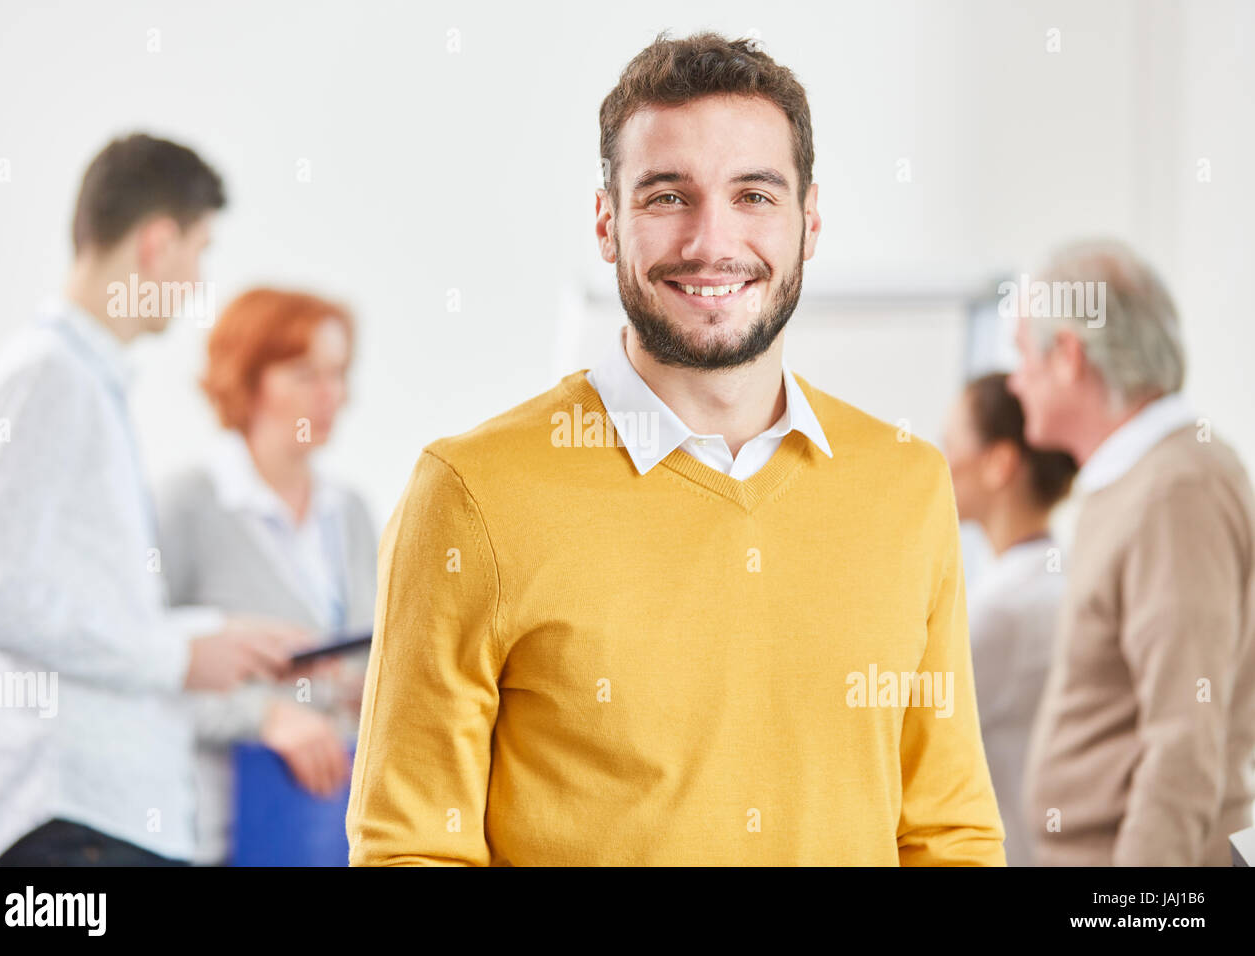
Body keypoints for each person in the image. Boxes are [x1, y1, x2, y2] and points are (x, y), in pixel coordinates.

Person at [347, 31, 1005, 866]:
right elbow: (410, 846)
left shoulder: (907, 484)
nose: (710, 242)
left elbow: (949, 834)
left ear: (809, 224)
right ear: (606, 222)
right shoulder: (470, 492)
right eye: (667, 196)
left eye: (754, 195)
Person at [0, 133, 309, 867]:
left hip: (105, 818)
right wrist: (176, 655)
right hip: (73, 820)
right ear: (157, 244)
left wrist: (215, 636)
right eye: (200, 250)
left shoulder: (84, 381)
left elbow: (70, 596)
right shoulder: (48, 374)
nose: (198, 277)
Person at [1009, 239, 1255, 866]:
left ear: (1067, 355)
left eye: (1020, 354)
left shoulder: (1176, 488)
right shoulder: (1137, 479)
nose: (1014, 381)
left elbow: (1184, 738)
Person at [156, 288, 378, 865]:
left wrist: (361, 689)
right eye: (307, 374)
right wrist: (265, 715)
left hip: (327, 826)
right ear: (248, 380)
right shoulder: (189, 505)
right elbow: (145, 667)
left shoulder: (349, 512)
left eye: (339, 373)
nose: (333, 396)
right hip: (221, 830)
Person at [942, 372, 1077, 866]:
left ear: (999, 463)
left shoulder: (1002, 613)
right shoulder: (1057, 582)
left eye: (949, 444)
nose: (939, 462)